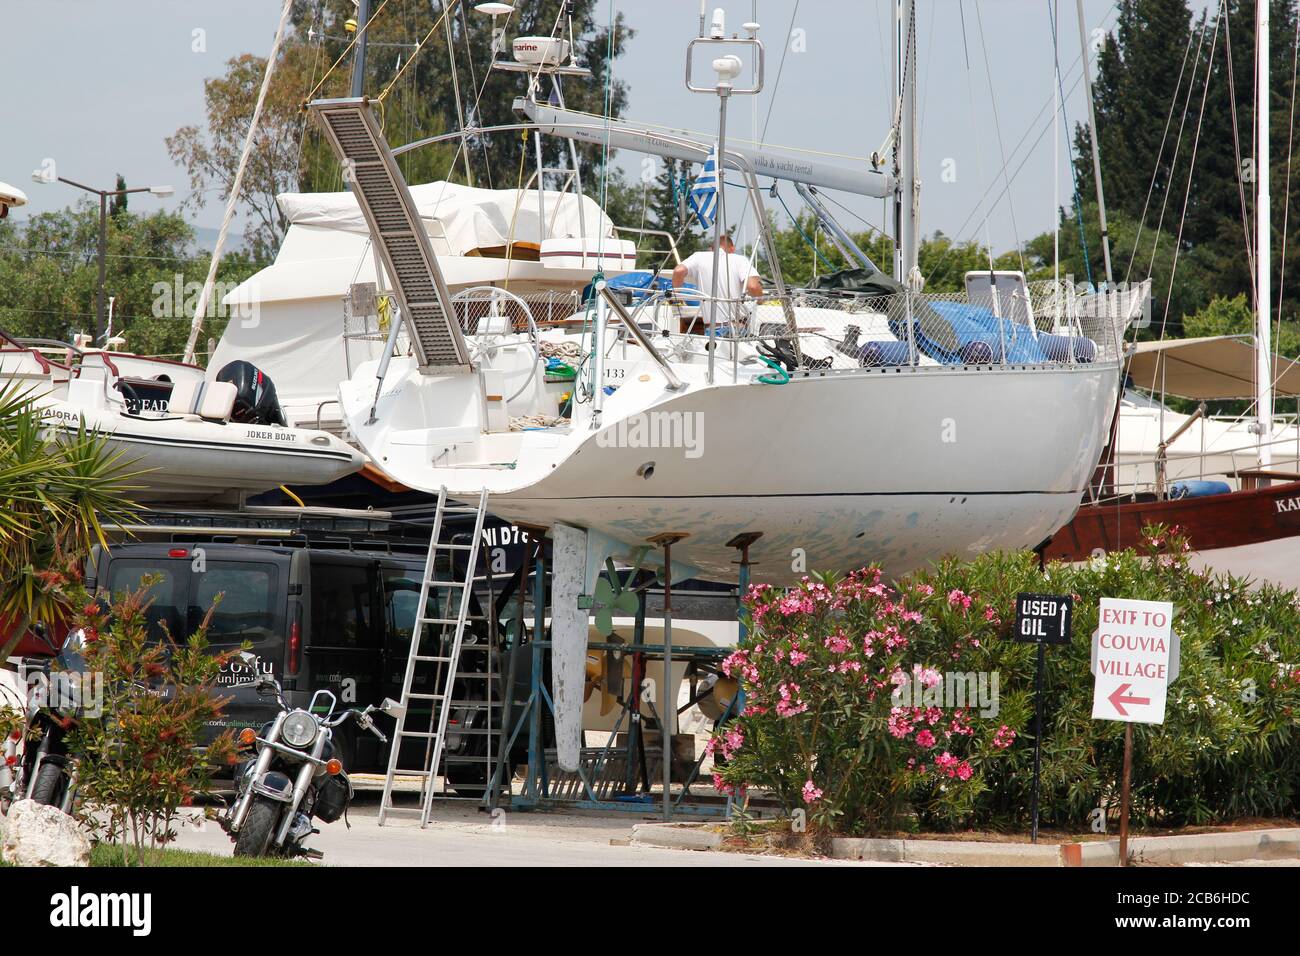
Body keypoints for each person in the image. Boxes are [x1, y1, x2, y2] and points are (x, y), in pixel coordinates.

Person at [672, 233, 763, 334]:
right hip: (738, 328)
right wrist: (761, 302)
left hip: (713, 330)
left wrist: (677, 297)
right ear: (732, 249)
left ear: (711, 249)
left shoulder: (698, 257)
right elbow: (753, 286)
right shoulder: (740, 260)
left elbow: (678, 271)